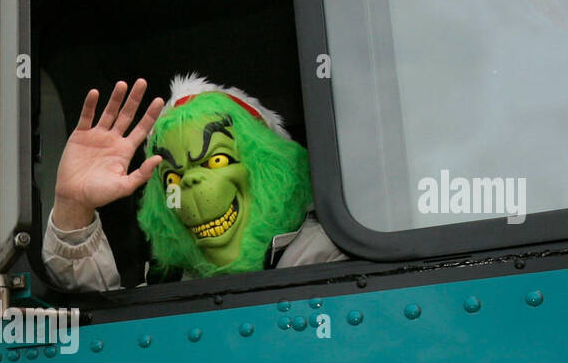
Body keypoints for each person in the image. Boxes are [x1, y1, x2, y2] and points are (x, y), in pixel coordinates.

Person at [42, 75, 347, 292]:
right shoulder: (170, 285)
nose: (189, 182)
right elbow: (98, 322)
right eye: (172, 177)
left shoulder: (336, 260)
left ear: (269, 169)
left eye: (216, 161)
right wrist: (74, 205)